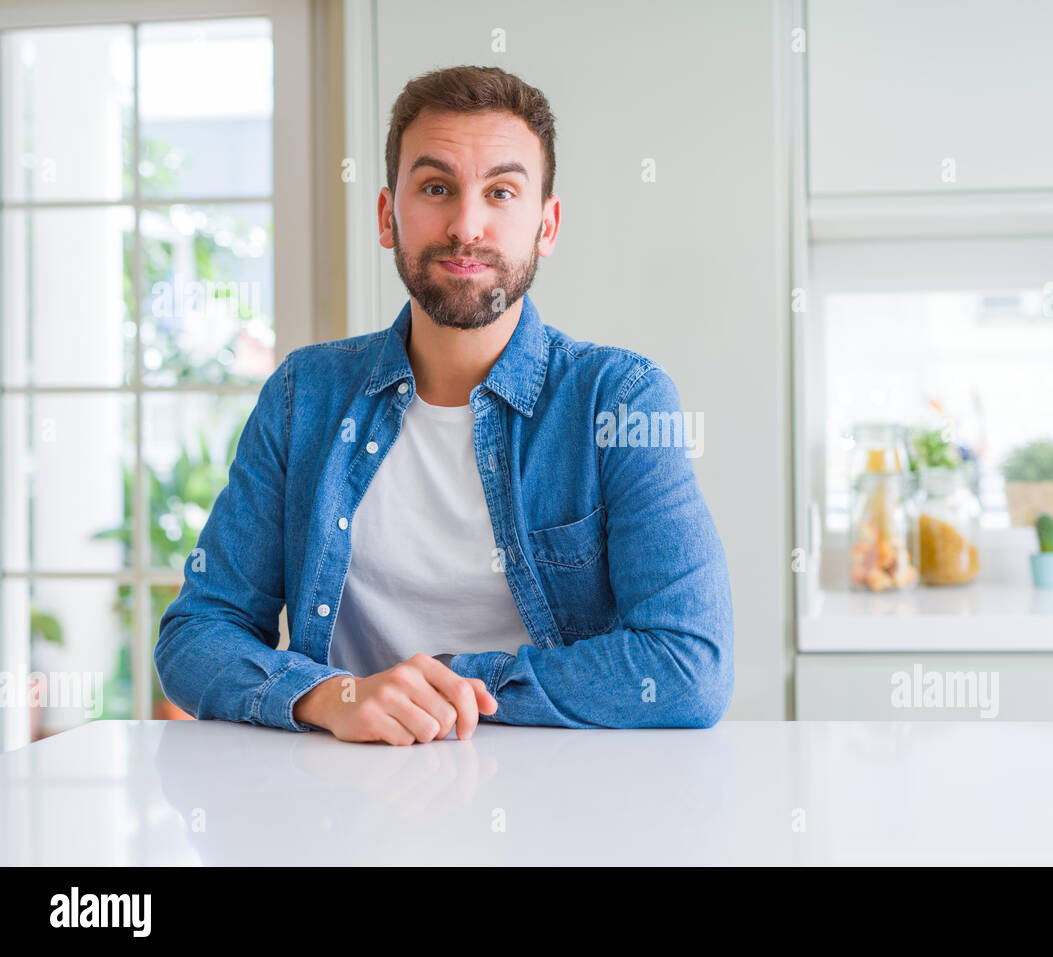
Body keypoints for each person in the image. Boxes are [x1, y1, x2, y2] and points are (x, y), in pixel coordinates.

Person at [155, 65, 733, 745]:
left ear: (546, 224)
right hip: (345, 802)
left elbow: (689, 665)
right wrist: (330, 694)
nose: (467, 225)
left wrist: (451, 678)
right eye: (436, 188)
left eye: (501, 191)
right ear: (385, 215)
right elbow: (196, 633)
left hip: (570, 805)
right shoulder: (302, 395)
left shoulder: (620, 399)